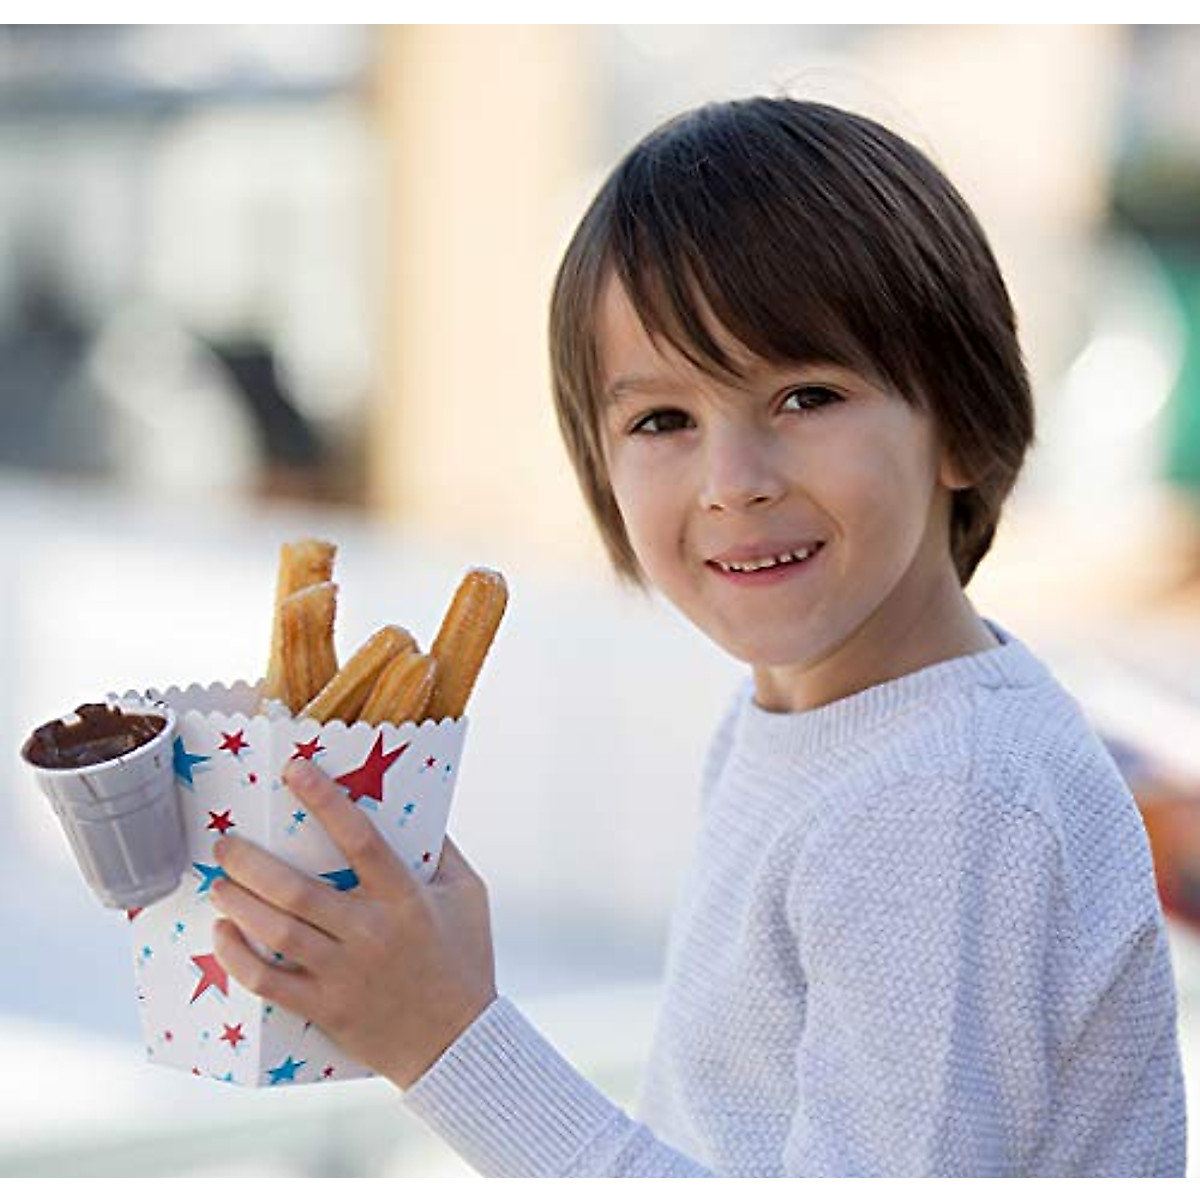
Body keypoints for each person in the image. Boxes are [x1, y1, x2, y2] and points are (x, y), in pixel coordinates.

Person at [209, 96, 1188, 1176]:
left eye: (806, 395)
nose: (735, 484)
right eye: (662, 421)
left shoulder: (939, 800)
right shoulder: (820, 716)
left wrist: (448, 1041)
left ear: (958, 420)